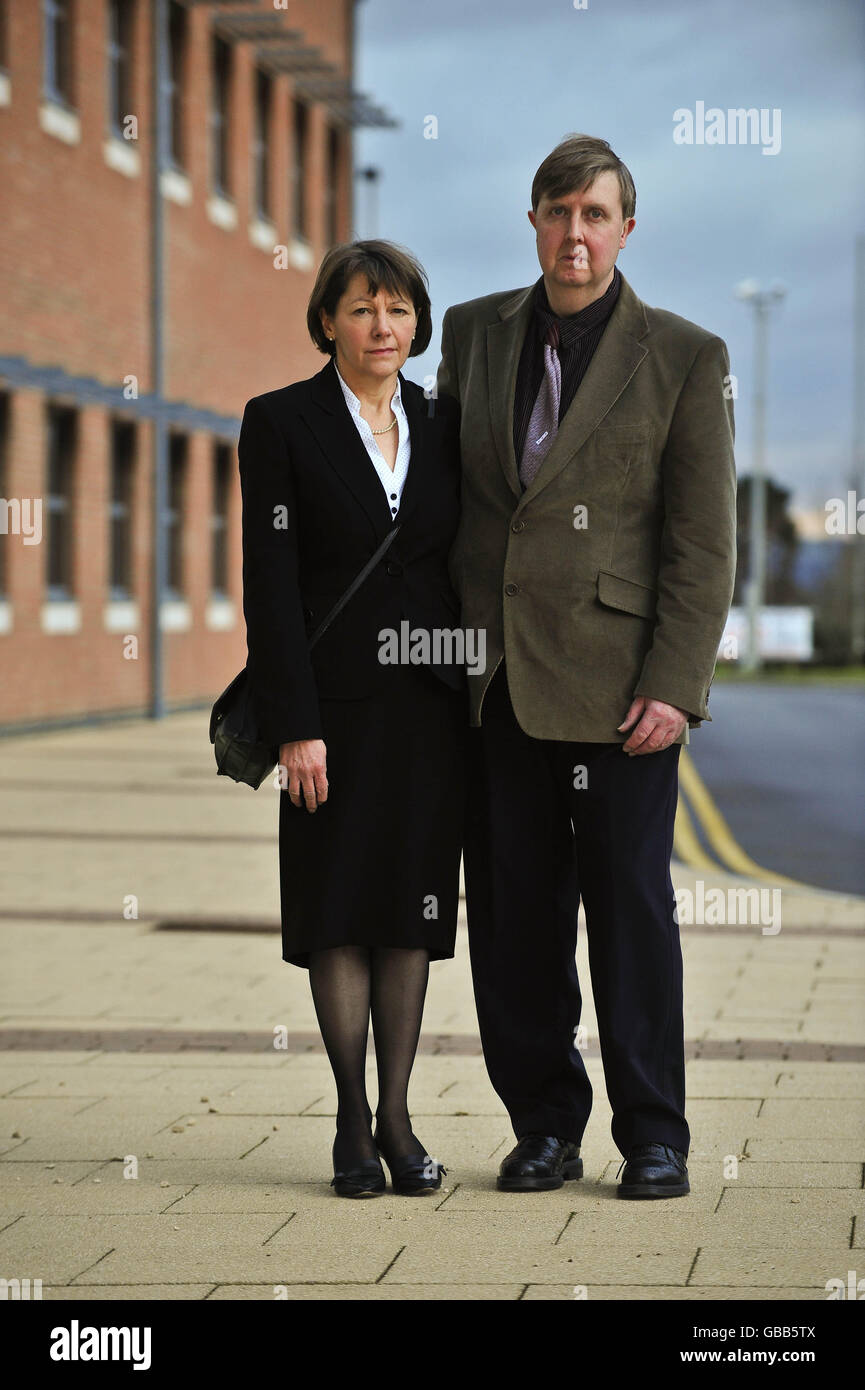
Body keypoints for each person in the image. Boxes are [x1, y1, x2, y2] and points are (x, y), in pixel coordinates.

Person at [436, 134, 736, 1198]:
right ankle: (544, 1125)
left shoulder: (684, 354)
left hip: (622, 696)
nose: (575, 232)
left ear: (625, 228)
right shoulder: (471, 335)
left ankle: (653, 1133)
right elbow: (446, 512)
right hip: (497, 682)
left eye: (595, 214)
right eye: (558, 211)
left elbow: (701, 544)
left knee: (631, 918)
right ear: (532, 220)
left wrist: (677, 681)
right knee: (513, 922)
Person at [238, 240, 466, 1198]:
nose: (385, 327)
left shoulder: (442, 421)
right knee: (337, 911)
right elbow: (271, 582)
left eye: (400, 310)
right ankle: (347, 1120)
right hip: (328, 713)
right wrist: (294, 723)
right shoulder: (280, 422)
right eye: (365, 309)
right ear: (327, 320)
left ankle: (400, 1119)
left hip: (425, 710)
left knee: (407, 915)